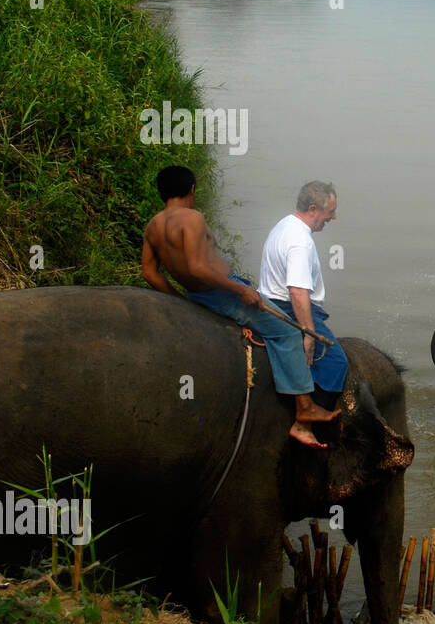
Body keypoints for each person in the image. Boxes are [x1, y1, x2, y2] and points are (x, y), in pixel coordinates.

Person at [141, 166, 339, 448]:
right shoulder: (192, 218)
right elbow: (197, 267)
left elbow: (150, 273)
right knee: (285, 332)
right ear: (192, 189)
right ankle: (304, 407)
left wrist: (180, 299)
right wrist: (240, 289)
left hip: (199, 294)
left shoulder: (153, 225)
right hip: (222, 290)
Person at [259, 181, 349, 404]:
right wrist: (308, 333)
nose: (334, 217)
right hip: (288, 308)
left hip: (269, 302)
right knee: (336, 363)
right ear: (312, 209)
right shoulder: (300, 242)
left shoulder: (284, 225)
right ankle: (312, 416)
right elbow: (297, 291)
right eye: (331, 211)